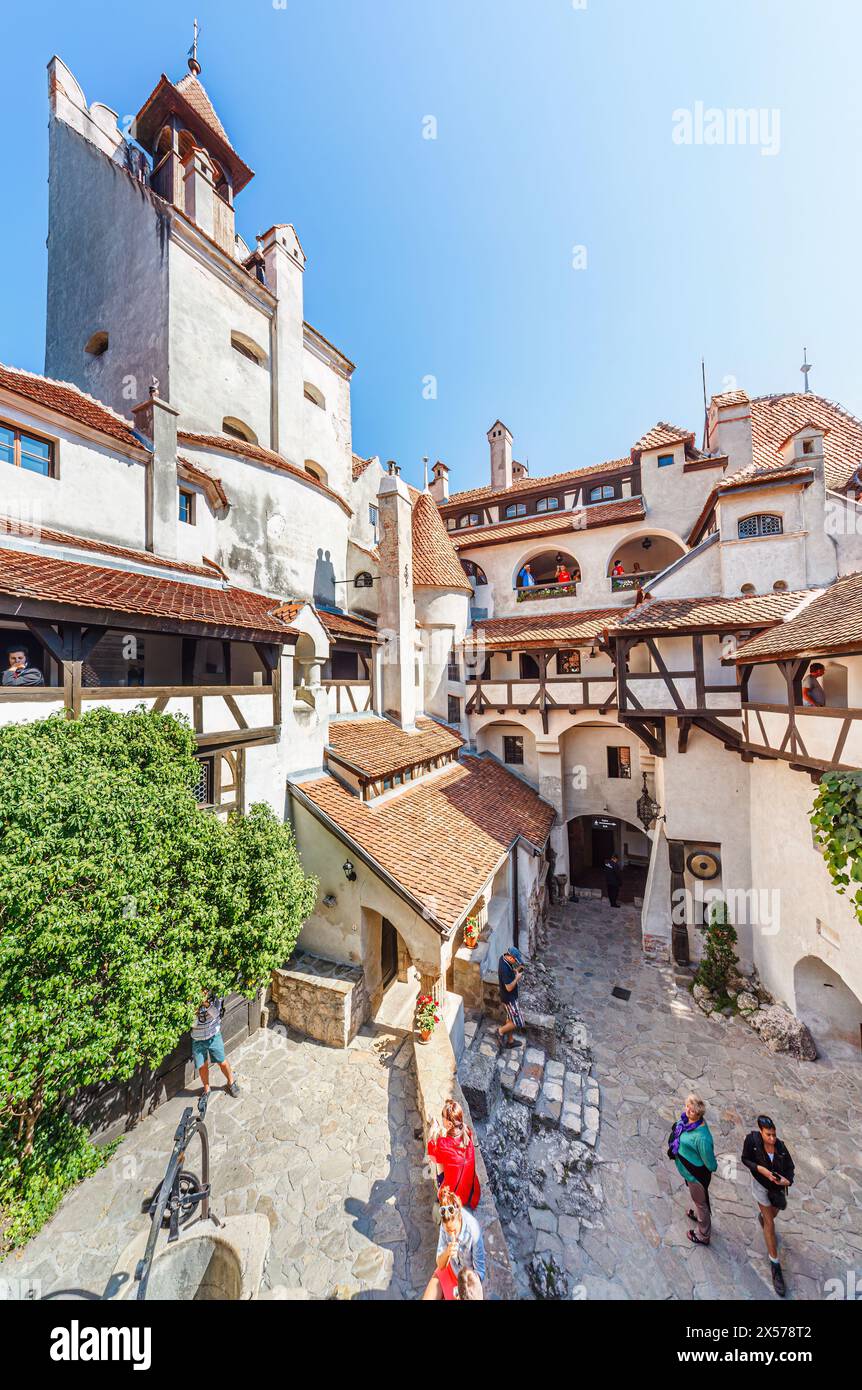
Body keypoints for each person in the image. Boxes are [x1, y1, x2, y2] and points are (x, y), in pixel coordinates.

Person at [742, 1115, 795, 1298]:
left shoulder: (780, 1147)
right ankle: (775, 1265)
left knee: (773, 1215)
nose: (772, 1138)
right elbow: (745, 1159)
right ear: (761, 1131)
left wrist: (787, 1181)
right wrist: (760, 1169)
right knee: (770, 1225)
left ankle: (764, 1218)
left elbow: (790, 1167)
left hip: (777, 1190)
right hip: (760, 1187)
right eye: (768, 1135)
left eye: (774, 1134)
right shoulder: (752, 1141)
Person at [667, 1093, 717, 1246]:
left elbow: (711, 1165)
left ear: (699, 1113)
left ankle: (703, 1234)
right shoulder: (686, 1121)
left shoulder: (702, 1137)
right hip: (688, 1172)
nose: (688, 1110)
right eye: (688, 1106)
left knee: (701, 1202)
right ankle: (699, 1215)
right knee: (699, 1200)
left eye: (693, 1109)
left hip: (696, 1176)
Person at [422, 1187, 486, 1300]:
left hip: (465, 1281)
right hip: (449, 1269)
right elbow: (440, 1264)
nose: (451, 1235)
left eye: (454, 1231)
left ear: (460, 1217)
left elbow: (480, 1271)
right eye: (448, 1231)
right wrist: (447, 1252)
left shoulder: (473, 1231)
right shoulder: (445, 1224)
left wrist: (463, 1290)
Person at [427, 1099, 481, 1209]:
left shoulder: (444, 1144)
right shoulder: (466, 1131)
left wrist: (432, 1133)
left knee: (438, 1161)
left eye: (443, 1116)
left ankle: (440, 1191)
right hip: (471, 1194)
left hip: (453, 1199)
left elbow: (431, 1155)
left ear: (450, 1123)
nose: (442, 1118)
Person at [191, 990, 240, 1097]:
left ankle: (231, 1082)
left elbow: (216, 1014)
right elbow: (193, 1024)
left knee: (222, 1061)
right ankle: (207, 1088)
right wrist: (194, 1010)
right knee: (202, 1066)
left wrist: (205, 1003)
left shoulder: (216, 993)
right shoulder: (190, 997)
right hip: (197, 1038)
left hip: (213, 1035)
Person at [496, 946, 525, 1048]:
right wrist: (517, 978)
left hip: (507, 997)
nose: (515, 962)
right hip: (510, 999)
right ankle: (500, 1031)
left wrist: (515, 971)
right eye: (515, 960)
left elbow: (508, 974)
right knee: (518, 1022)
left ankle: (510, 1041)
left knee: (510, 1019)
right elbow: (508, 987)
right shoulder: (505, 969)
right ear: (511, 957)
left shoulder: (503, 958)